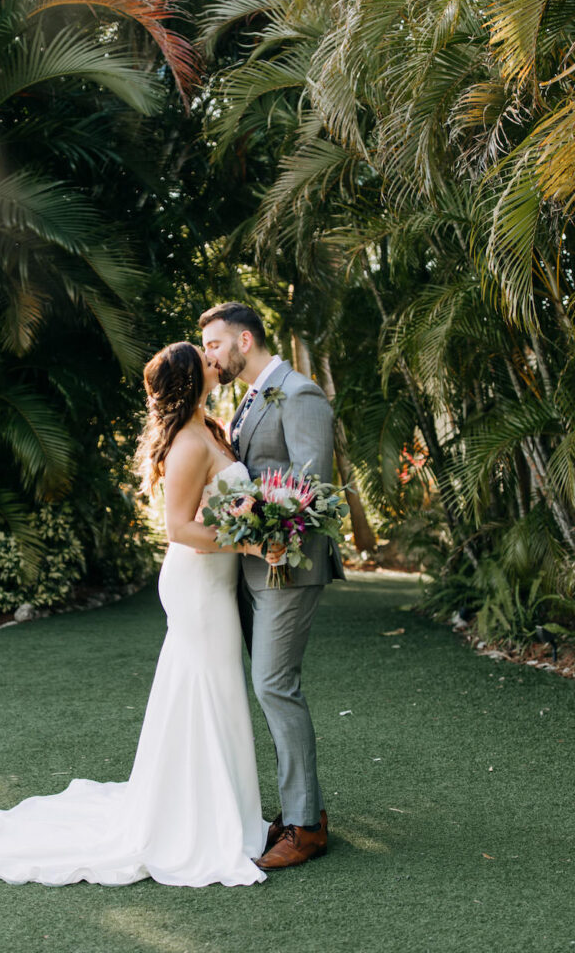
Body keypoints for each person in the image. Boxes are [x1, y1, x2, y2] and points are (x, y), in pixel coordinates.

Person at [0, 341, 280, 887]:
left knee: (214, 688)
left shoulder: (212, 428)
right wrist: (251, 546)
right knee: (207, 688)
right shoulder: (186, 443)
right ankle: (202, 824)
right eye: (203, 359)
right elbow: (178, 528)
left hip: (214, 581)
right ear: (188, 379)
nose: (214, 361)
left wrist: (255, 518)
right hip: (197, 584)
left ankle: (230, 812)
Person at [199, 302, 345, 870]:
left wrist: (252, 516)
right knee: (267, 687)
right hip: (254, 565)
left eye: (213, 344)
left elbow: (310, 487)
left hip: (288, 565)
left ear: (243, 338)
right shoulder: (253, 396)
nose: (209, 355)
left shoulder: (299, 392)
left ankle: (306, 827)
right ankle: (295, 811)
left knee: (273, 686)